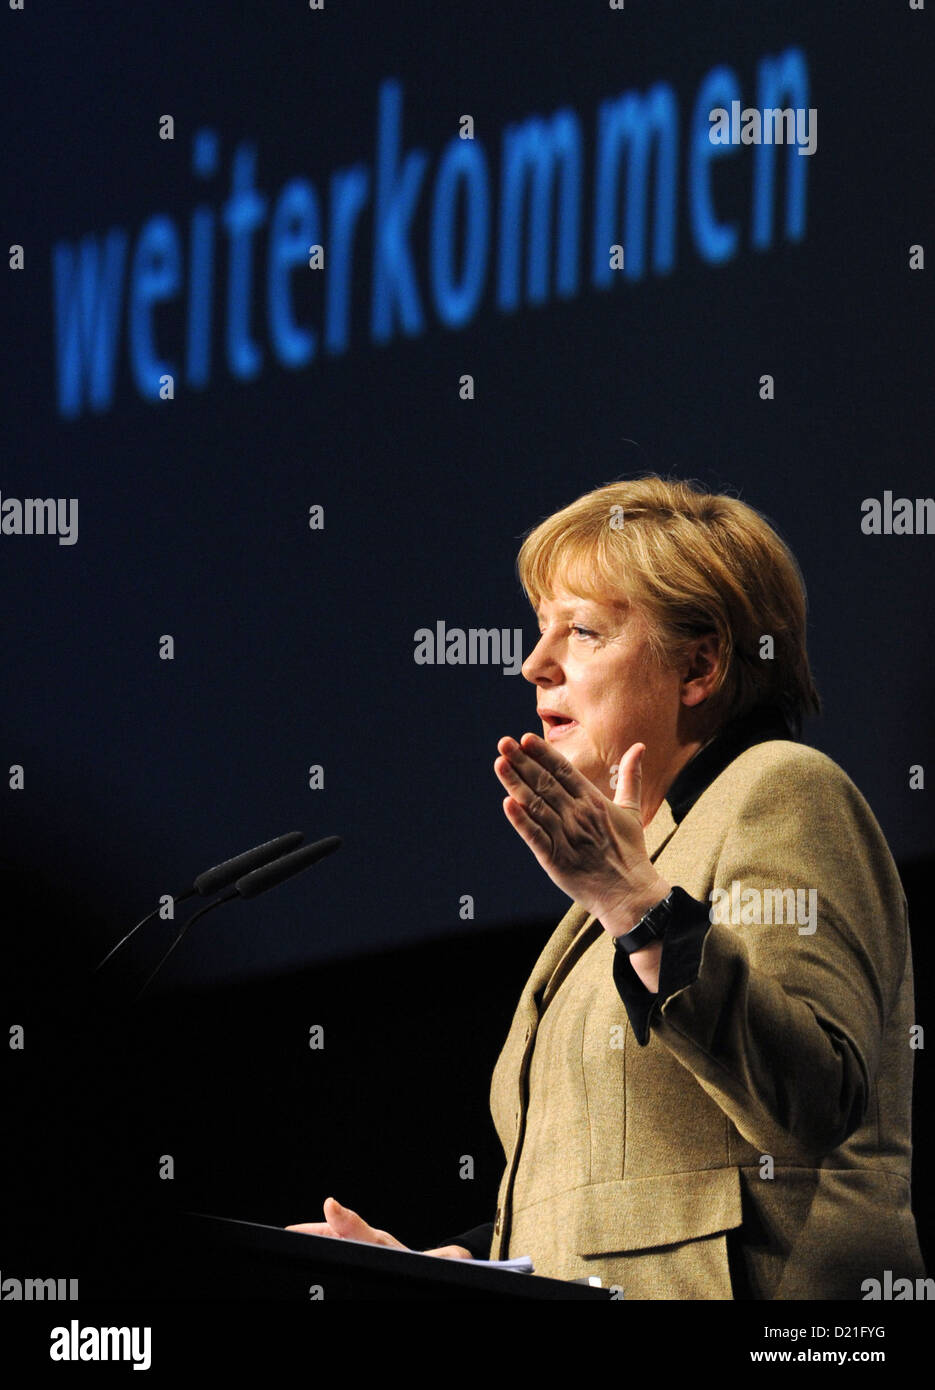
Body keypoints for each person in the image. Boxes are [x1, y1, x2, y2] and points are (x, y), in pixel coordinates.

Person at [287, 475, 926, 1298]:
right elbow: (617, 1195)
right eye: (539, 630)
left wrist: (636, 907)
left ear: (698, 666)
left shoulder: (780, 790)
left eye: (581, 632)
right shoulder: (626, 871)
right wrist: (450, 1268)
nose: (534, 664)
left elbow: (807, 1105)